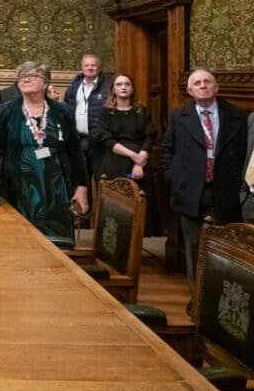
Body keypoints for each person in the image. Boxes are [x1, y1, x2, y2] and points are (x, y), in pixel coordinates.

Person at [0, 61, 89, 248]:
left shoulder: (62, 111)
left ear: (45, 83)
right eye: (22, 75)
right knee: (20, 246)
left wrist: (82, 188)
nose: (26, 79)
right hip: (18, 189)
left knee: (57, 248)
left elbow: (75, 152)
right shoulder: (7, 111)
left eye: (33, 75)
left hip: (56, 190)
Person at [162, 68, 247, 287]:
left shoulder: (237, 115)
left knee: (224, 249)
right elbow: (167, 151)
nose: (203, 85)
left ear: (216, 87)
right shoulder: (178, 116)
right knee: (194, 249)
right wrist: (175, 179)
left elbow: (244, 152)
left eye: (207, 81)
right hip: (190, 191)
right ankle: (197, 300)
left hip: (225, 191)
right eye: (197, 83)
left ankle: (219, 301)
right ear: (190, 91)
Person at [91, 74, 156, 182]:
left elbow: (149, 136)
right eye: (119, 84)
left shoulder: (142, 111)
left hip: (139, 163)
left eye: (127, 84)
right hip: (114, 161)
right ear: (113, 89)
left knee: (141, 188)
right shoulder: (105, 112)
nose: (123, 87)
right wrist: (133, 155)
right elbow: (106, 139)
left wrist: (139, 161)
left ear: (132, 89)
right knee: (116, 189)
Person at [62, 54, 110, 179]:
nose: (90, 68)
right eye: (86, 65)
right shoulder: (75, 86)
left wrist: (99, 135)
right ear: (82, 67)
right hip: (78, 138)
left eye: (93, 65)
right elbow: (66, 108)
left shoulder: (106, 87)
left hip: (99, 141)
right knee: (81, 176)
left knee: (101, 177)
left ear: (98, 67)